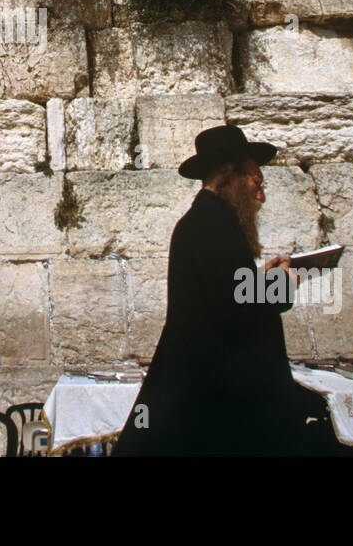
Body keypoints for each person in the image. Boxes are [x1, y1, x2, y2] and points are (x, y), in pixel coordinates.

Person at [112, 125, 332, 456]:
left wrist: (261, 277)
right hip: (214, 399)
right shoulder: (212, 223)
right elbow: (237, 309)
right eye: (256, 181)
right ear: (231, 174)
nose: (261, 195)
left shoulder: (208, 221)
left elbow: (225, 292)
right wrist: (284, 282)